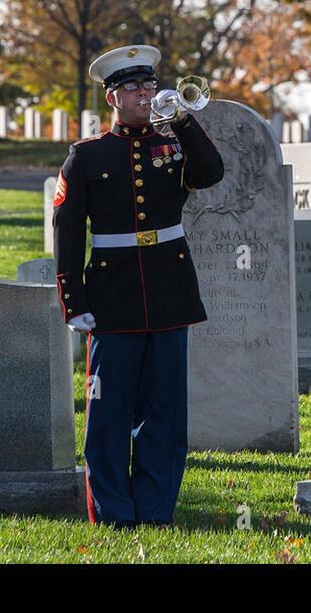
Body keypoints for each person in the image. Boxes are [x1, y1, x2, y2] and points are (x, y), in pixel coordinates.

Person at [51, 44, 224, 528]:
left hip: (169, 291)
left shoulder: (172, 145)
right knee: (108, 415)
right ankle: (112, 511)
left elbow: (211, 172)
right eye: (133, 87)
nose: (145, 94)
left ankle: (155, 508)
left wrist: (184, 120)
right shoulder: (85, 158)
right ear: (112, 98)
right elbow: (67, 231)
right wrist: (73, 300)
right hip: (113, 296)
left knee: (165, 413)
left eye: (149, 85)